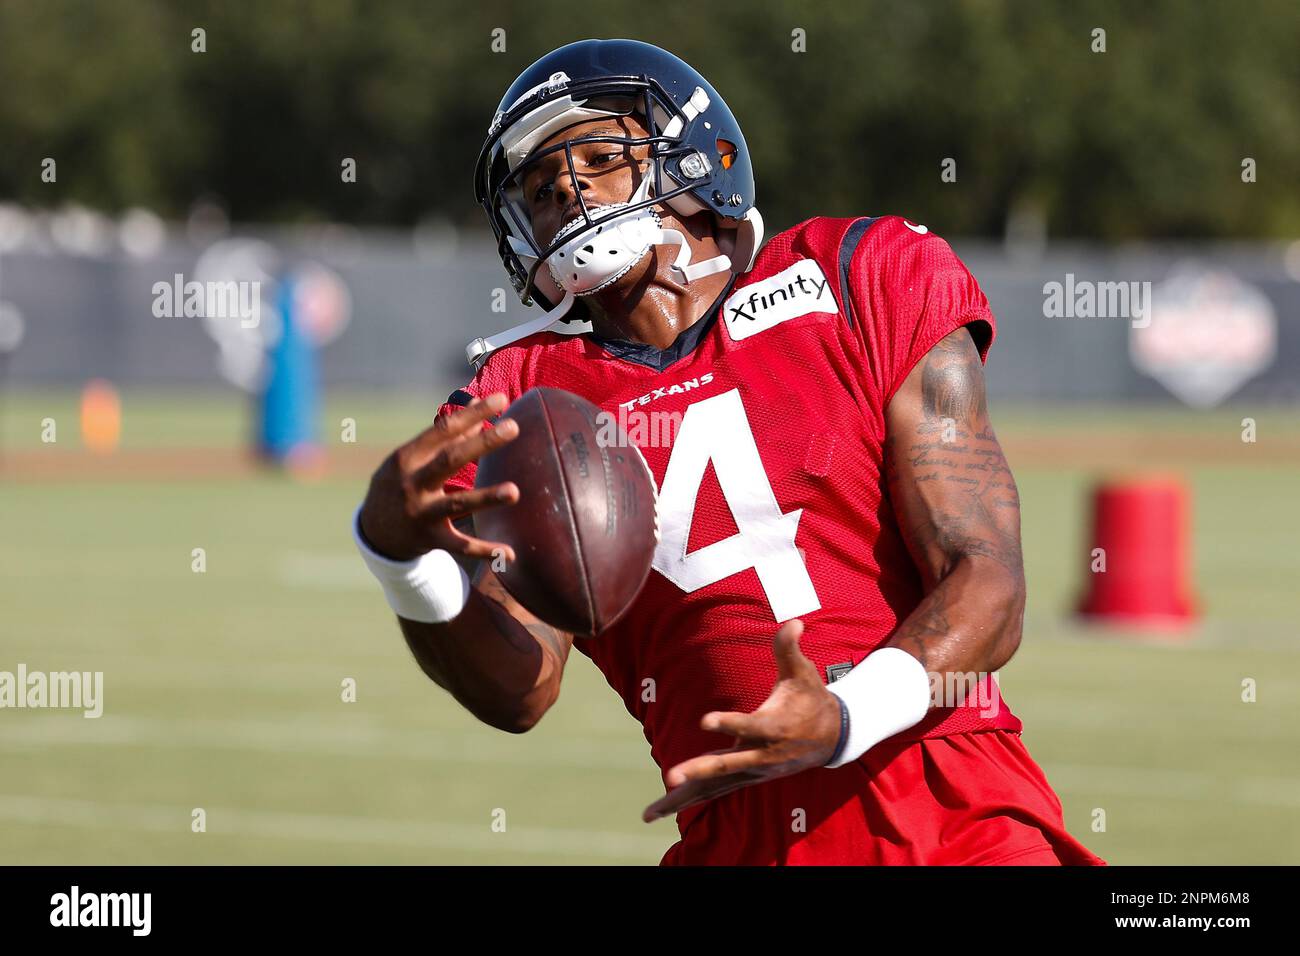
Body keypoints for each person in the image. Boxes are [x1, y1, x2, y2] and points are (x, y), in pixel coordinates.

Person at [354, 38, 1104, 866]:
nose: (566, 188)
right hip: (736, 839)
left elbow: (990, 580)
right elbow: (519, 689)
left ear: (696, 155)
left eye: (599, 155)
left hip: (952, 813)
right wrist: (400, 561)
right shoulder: (521, 399)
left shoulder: (861, 273)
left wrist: (848, 714)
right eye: (537, 188)